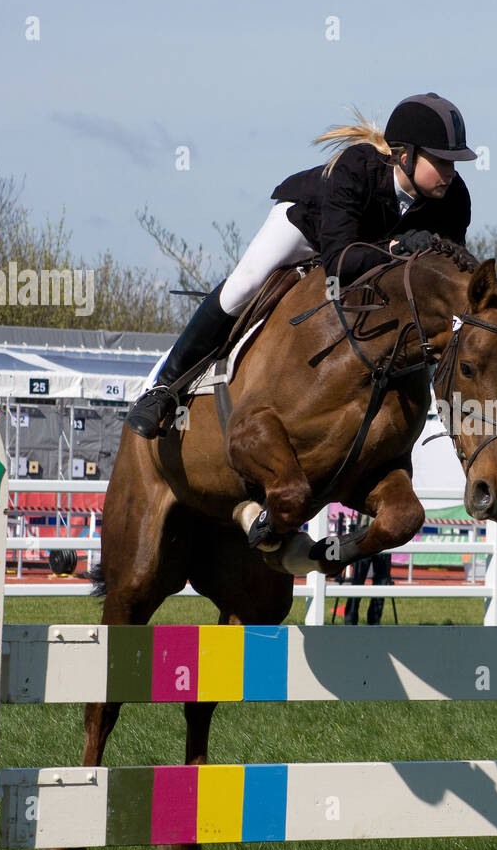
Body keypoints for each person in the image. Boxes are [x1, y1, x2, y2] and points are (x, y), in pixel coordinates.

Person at [125, 93, 476, 438]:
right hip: (306, 226)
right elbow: (339, 265)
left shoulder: (454, 200)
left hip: (366, 252)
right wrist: (396, 248)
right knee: (244, 285)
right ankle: (163, 387)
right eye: (442, 162)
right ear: (404, 156)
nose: (451, 173)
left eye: (454, 163)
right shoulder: (357, 166)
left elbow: (444, 280)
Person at [343, 513, 394, 625]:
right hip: (364, 536)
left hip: (384, 536)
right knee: (358, 582)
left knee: (381, 584)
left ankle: (374, 623)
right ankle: (350, 623)